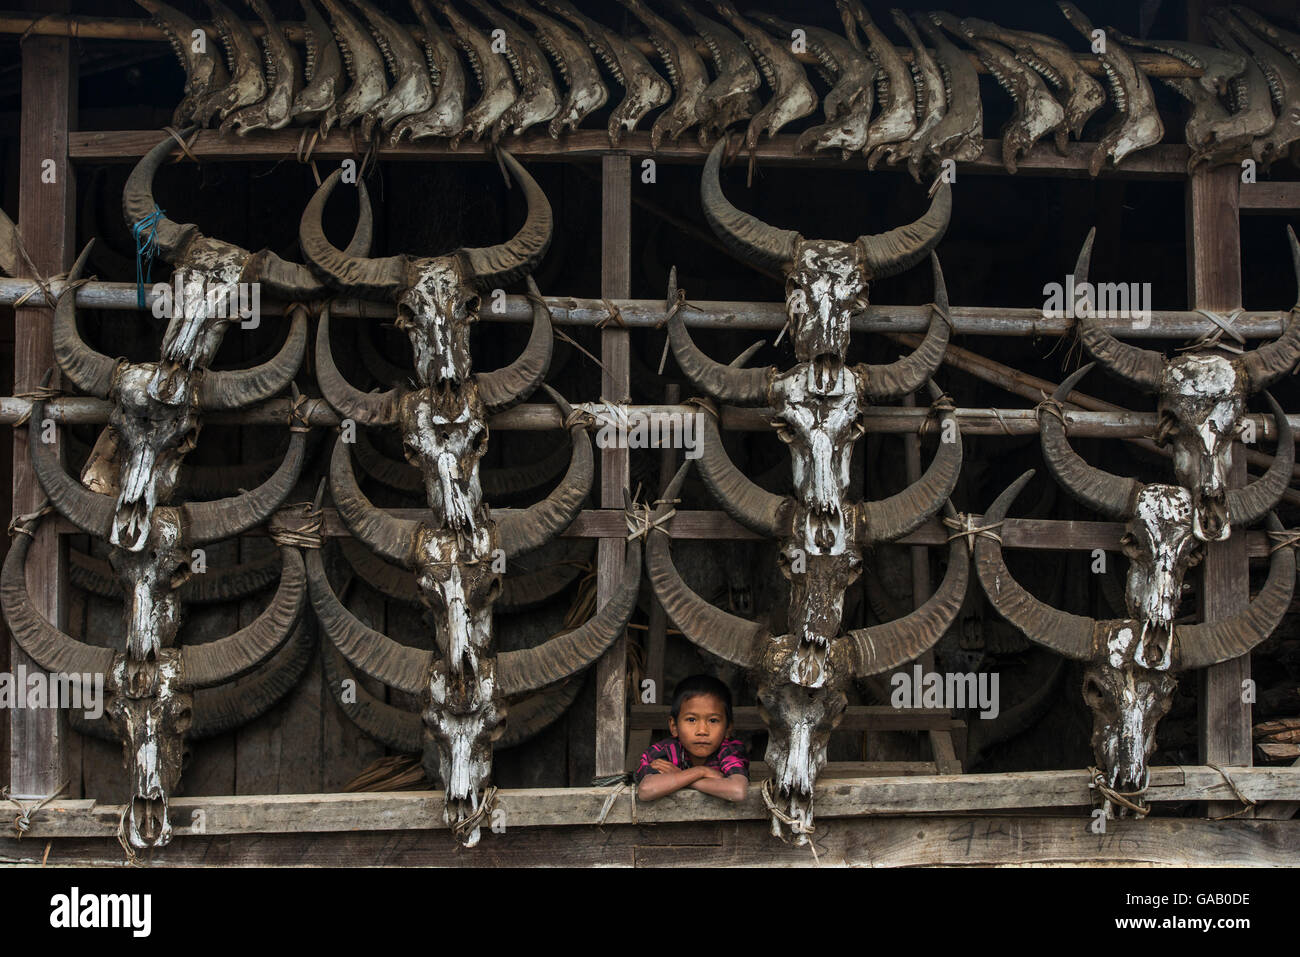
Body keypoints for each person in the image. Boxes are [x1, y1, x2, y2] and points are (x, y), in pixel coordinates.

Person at [634, 674, 748, 802]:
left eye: (713, 720)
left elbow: (738, 791)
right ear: (674, 726)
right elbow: (646, 790)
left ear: (728, 728)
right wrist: (701, 772)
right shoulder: (663, 751)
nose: (702, 731)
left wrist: (680, 777)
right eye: (691, 719)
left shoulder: (729, 750)